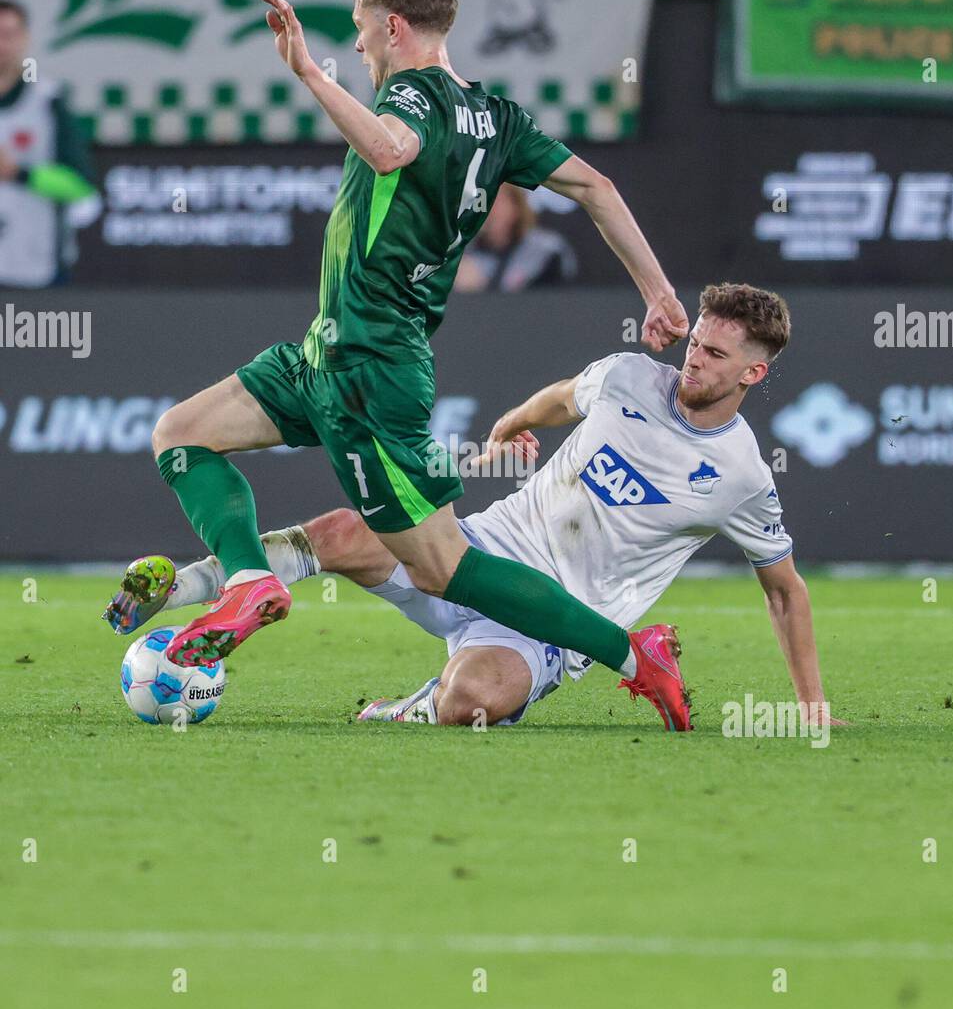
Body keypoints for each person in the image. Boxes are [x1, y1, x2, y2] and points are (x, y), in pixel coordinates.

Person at [113, 0, 688, 710]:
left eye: (358, 30)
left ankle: (628, 651)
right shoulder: (500, 119)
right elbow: (597, 185)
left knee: (442, 566)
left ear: (392, 25)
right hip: (326, 350)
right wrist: (657, 292)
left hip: (369, 361)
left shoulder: (413, 96)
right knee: (180, 433)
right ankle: (248, 581)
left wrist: (309, 74)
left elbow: (388, 150)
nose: (355, 46)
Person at [105, 284, 842, 734]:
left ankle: (410, 706)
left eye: (715, 355)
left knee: (472, 703)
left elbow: (785, 590)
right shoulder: (628, 377)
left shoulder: (743, 475)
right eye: (697, 344)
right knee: (339, 532)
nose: (694, 360)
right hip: (484, 544)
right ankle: (191, 587)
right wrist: (514, 423)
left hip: (557, 622)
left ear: (754, 371)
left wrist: (809, 705)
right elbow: (563, 397)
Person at [0, 0, 99, 288]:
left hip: (37, 272)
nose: (2, 46)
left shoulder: (48, 102)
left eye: (9, 35)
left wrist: (19, 173)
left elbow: (81, 187)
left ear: (25, 39)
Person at [454, 184, 577, 292]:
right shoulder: (462, 252)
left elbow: (559, 296)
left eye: (497, 201)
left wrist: (484, 287)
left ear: (516, 206)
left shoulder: (546, 249)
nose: (488, 210)